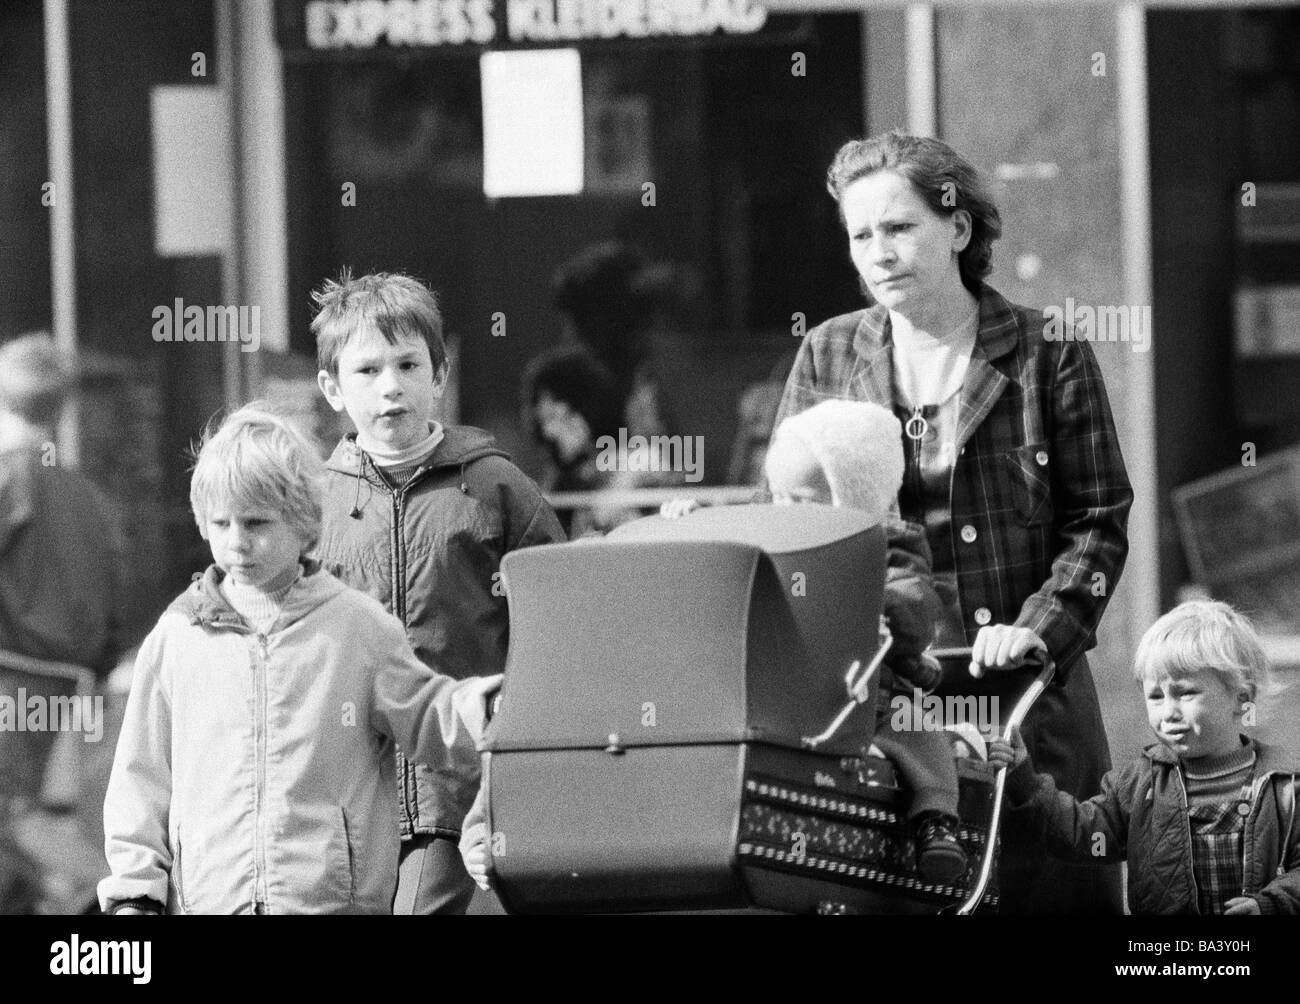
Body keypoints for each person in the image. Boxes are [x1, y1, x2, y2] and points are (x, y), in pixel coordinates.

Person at [775, 132, 1133, 913]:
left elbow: (1098, 521)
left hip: (1031, 694)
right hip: (886, 699)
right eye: (860, 234)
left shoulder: (1050, 351)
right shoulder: (828, 354)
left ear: (958, 229)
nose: (879, 252)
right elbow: (789, 524)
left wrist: (1040, 627)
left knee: (1053, 892)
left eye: (899, 228)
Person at [98, 406, 497, 914]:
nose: (237, 541)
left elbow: (428, 713)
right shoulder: (179, 636)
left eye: (257, 522)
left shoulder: (356, 626)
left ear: (305, 522)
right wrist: (136, 891)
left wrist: (494, 707)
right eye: (221, 523)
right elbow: (141, 774)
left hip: (330, 905)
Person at [311, 270, 565, 915]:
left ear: (440, 375)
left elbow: (560, 624)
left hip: (461, 782)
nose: (391, 386)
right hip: (348, 785)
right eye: (367, 371)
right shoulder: (314, 503)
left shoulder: (498, 487)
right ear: (331, 388)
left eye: (408, 364)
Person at [989, 601, 1299, 915]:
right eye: (1156, 696)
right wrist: (1024, 781)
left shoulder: (1285, 787)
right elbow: (1084, 836)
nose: (1168, 712)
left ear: (1241, 699)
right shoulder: (1141, 787)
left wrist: (1270, 904)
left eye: (1186, 693)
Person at [0, 333, 125, 912]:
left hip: (11, 676)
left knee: (12, 815)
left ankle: (128, 894)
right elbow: (113, 607)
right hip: (71, 683)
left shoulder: (8, 476)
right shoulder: (87, 496)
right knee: (28, 819)